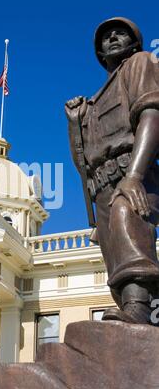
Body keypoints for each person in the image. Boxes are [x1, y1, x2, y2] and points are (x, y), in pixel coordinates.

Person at [65, 17, 159, 324]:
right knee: (114, 258)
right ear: (100, 53)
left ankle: (139, 310)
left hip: (135, 171)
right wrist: (75, 123)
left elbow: (152, 117)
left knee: (126, 217)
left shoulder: (140, 64)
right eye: (106, 37)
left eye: (121, 33)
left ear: (134, 42)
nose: (114, 38)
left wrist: (134, 176)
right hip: (102, 184)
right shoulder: (92, 102)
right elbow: (84, 164)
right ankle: (132, 312)